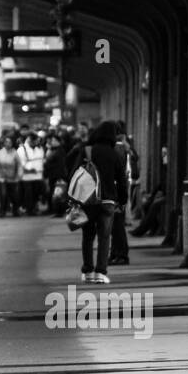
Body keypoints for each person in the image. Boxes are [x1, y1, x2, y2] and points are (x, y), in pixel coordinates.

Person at [66, 120, 129, 284]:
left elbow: (74, 172)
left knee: (87, 236)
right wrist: (123, 200)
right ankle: (101, 272)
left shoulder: (87, 151)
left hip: (88, 200)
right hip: (108, 200)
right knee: (104, 236)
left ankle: (87, 270)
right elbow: (122, 180)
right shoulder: (116, 153)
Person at [109, 122, 134, 265]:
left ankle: (121, 254)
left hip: (117, 190)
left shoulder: (117, 149)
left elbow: (118, 173)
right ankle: (116, 253)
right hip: (122, 188)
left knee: (117, 226)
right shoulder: (125, 147)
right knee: (116, 225)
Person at [0, 134, 22, 217]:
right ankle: (2, 211)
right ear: (4, 143)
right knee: (3, 194)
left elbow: (19, 165)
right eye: (6, 142)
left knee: (14, 195)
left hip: (13, 178)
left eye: (10, 142)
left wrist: (19, 175)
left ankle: (15, 211)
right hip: (1, 178)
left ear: (12, 143)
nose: (8, 144)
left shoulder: (15, 153)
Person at [19, 131, 47, 215]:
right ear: (30, 140)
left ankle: (35, 208)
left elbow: (42, 160)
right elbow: (21, 163)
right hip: (26, 177)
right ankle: (29, 209)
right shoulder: (22, 149)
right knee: (28, 194)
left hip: (38, 176)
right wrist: (29, 169)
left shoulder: (40, 148)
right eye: (35, 140)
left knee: (37, 193)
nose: (37, 142)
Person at [43, 136, 67, 215]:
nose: (52, 142)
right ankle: (54, 209)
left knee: (58, 194)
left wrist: (46, 163)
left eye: (54, 140)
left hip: (57, 176)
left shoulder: (60, 151)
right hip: (52, 175)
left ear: (58, 142)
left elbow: (60, 165)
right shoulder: (53, 150)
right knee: (53, 193)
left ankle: (58, 211)